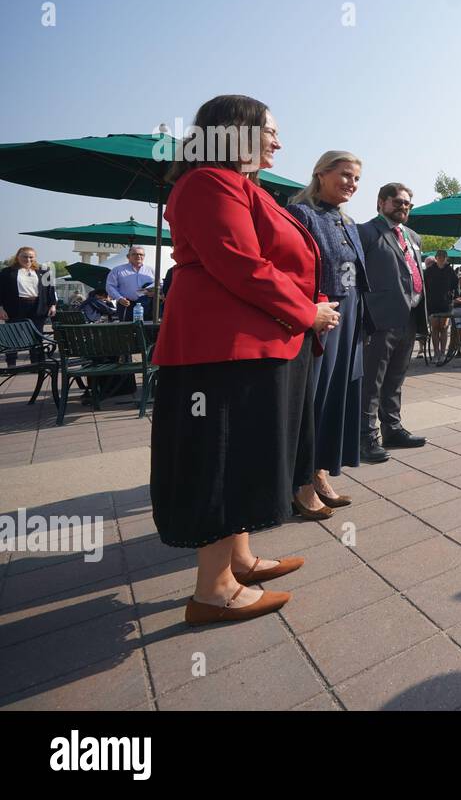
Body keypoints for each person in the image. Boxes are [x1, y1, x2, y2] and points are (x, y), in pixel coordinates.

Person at [150, 94, 340, 626]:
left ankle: (239, 561)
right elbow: (241, 266)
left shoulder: (236, 183)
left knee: (242, 455)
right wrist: (306, 311)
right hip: (222, 348)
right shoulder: (210, 183)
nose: (278, 141)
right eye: (270, 131)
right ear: (234, 132)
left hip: (248, 343)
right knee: (222, 458)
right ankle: (212, 591)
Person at [287, 151, 372, 519]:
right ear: (320, 173)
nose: (352, 183)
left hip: (351, 314)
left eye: (356, 179)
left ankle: (320, 472)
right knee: (314, 399)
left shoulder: (347, 221)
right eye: (345, 175)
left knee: (338, 396)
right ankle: (301, 482)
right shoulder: (301, 214)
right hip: (321, 315)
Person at [358, 182, 427, 462]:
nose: (403, 207)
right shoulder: (367, 232)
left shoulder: (413, 236)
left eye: (407, 204)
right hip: (380, 319)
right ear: (381, 202)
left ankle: (393, 428)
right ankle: (365, 437)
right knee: (371, 382)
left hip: (410, 316)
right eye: (398, 202)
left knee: (396, 378)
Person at [0, 247, 57, 366]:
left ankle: (37, 364)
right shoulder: (7, 272)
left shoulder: (44, 271)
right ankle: (11, 364)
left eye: (31, 257)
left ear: (35, 258)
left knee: (36, 336)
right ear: (18, 257)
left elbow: (50, 290)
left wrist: (52, 305)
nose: (28, 259)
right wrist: (1, 308)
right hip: (15, 307)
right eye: (24, 256)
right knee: (12, 336)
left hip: (38, 306)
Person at [423, 249, 458, 363]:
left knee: (443, 328)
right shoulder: (429, 271)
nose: (441, 258)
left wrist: (451, 298)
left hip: (445, 304)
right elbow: (425, 287)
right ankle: (436, 353)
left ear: (446, 258)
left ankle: (443, 353)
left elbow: (455, 286)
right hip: (432, 304)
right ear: (436, 258)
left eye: (444, 256)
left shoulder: (450, 271)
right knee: (434, 328)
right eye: (439, 256)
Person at [105, 246, 155, 320]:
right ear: (128, 256)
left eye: (141, 254)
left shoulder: (151, 270)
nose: (138, 256)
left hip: (147, 305)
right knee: (127, 329)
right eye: (134, 254)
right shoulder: (117, 270)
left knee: (146, 328)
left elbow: (159, 285)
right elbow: (110, 286)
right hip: (126, 305)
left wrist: (154, 292)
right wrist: (119, 298)